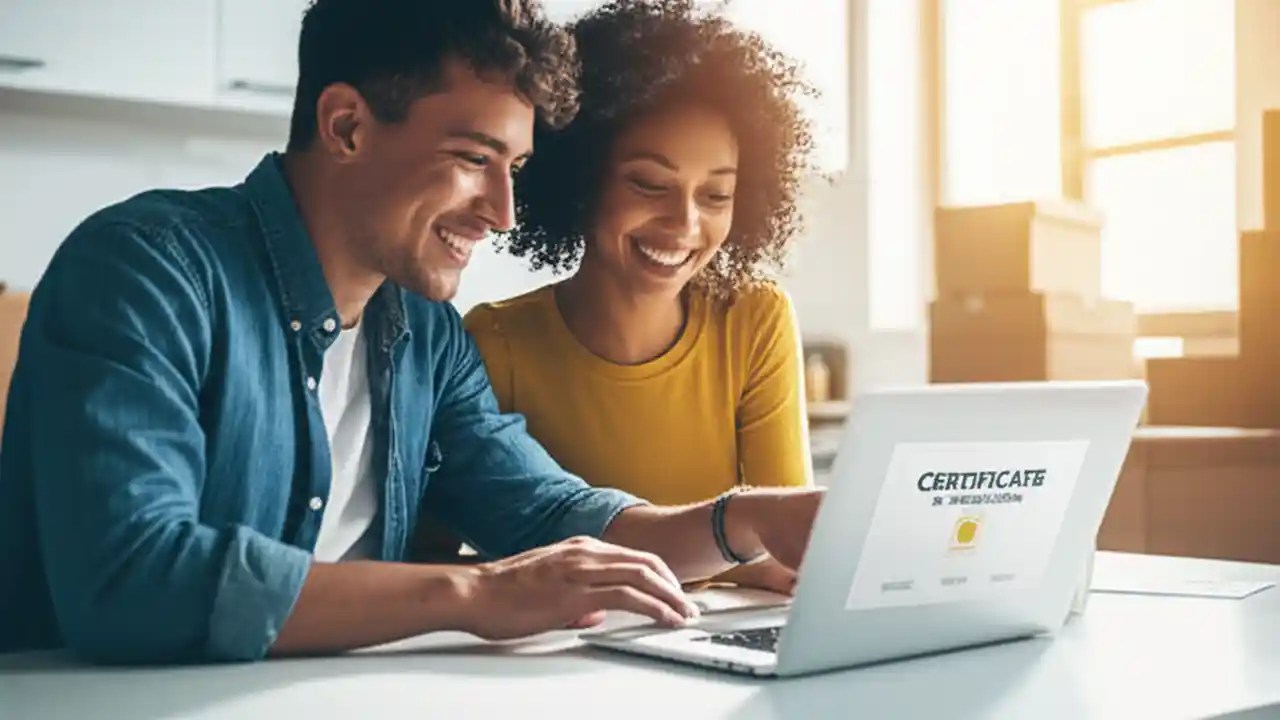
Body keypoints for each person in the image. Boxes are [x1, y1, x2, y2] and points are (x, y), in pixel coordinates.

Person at [0, 0, 822, 665]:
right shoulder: (147, 271)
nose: (502, 212)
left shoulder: (426, 337)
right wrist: (472, 593)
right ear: (346, 126)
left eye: (515, 170)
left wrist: (744, 520)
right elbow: (132, 578)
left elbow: (551, 513)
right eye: (473, 158)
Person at [461, 0, 821, 594]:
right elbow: (444, 559)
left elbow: (789, 552)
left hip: (713, 637)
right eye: (650, 185)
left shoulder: (754, 319)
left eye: (715, 196)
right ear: (582, 179)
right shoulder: (495, 343)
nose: (684, 224)